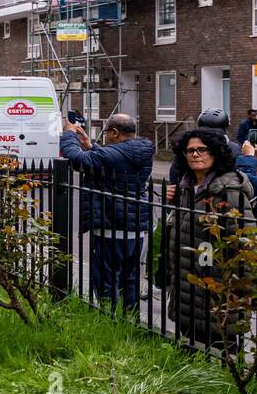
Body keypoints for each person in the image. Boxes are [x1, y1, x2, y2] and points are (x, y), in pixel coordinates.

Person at [163, 128, 256, 349]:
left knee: (219, 354)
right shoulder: (186, 188)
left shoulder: (228, 190)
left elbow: (247, 243)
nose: (196, 154)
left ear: (215, 153)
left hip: (217, 294)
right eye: (190, 151)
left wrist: (243, 292)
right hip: (187, 290)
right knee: (189, 353)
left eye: (202, 150)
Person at [59, 113, 153, 314]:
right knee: (130, 279)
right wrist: (93, 147)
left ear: (115, 132)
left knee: (106, 279)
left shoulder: (113, 154)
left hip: (112, 224)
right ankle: (131, 319)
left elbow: (76, 159)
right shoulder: (140, 151)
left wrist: (68, 135)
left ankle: (109, 318)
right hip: (135, 226)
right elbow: (113, 164)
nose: (105, 137)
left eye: (106, 132)